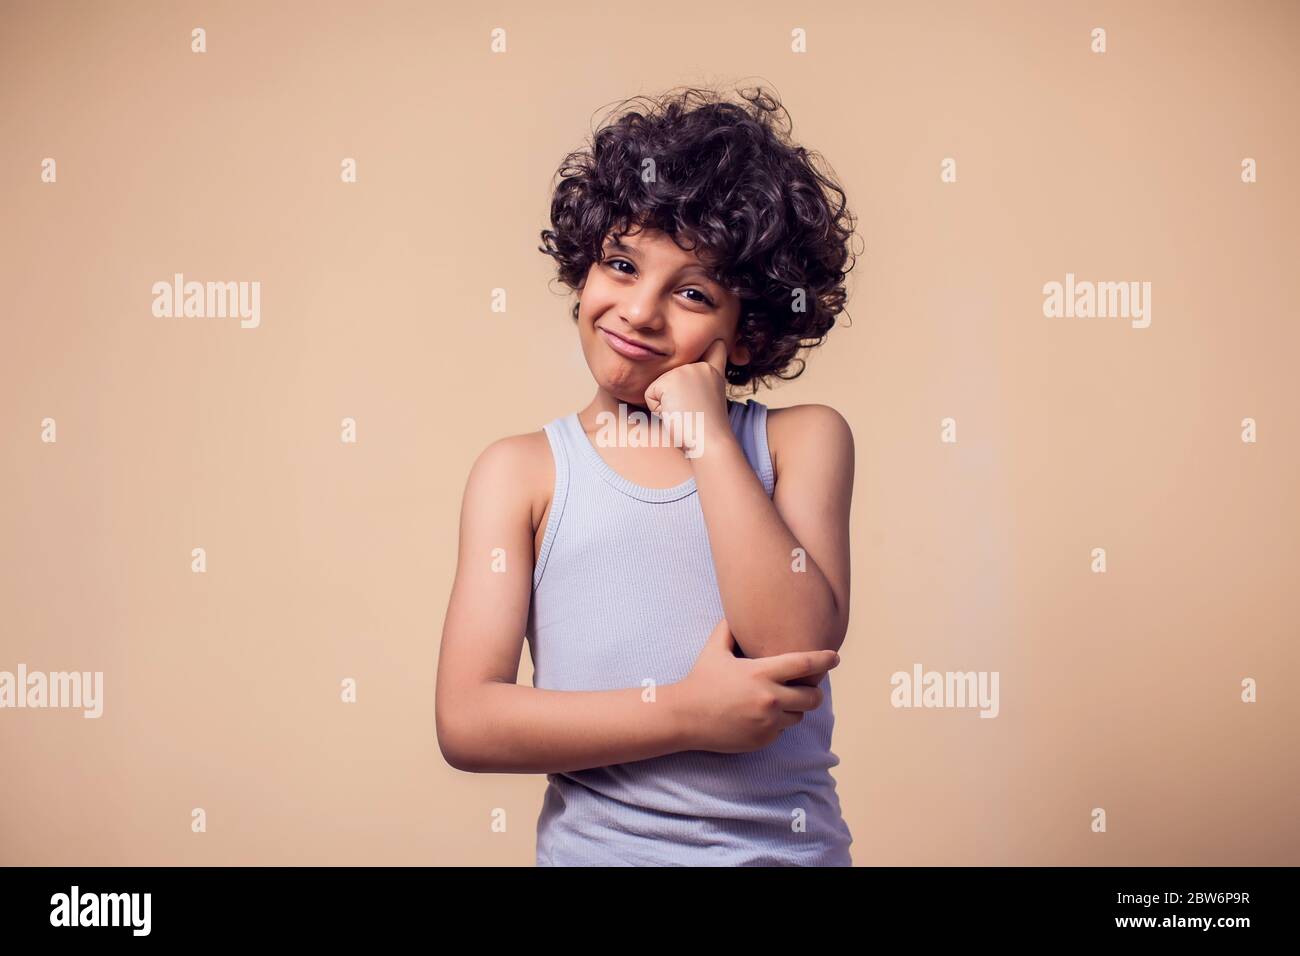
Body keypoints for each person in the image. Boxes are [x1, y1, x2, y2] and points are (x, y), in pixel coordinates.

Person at [436, 85, 860, 865]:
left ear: (747, 330)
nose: (639, 311)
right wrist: (686, 714)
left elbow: (794, 639)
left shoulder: (801, 443)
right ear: (583, 268)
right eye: (622, 266)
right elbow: (468, 721)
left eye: (693, 292)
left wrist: (706, 436)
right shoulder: (522, 474)